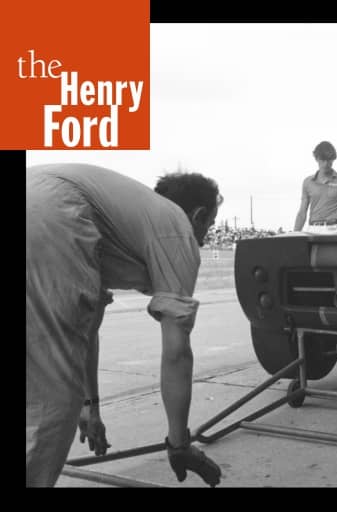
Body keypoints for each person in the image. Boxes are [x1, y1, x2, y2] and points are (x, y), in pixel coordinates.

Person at [27, 163, 223, 487]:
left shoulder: (123, 218)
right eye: (209, 225)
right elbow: (176, 352)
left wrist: (90, 405)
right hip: (50, 212)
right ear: (199, 215)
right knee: (53, 402)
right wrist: (178, 442)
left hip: (38, 199)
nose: (202, 239)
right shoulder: (176, 226)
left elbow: (87, 328)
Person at [294, 141, 337, 233]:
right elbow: (302, 212)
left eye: (329, 160)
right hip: (312, 229)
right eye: (323, 160)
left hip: (334, 229)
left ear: (333, 159)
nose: (326, 163)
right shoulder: (307, 182)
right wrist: (295, 233)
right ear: (316, 159)